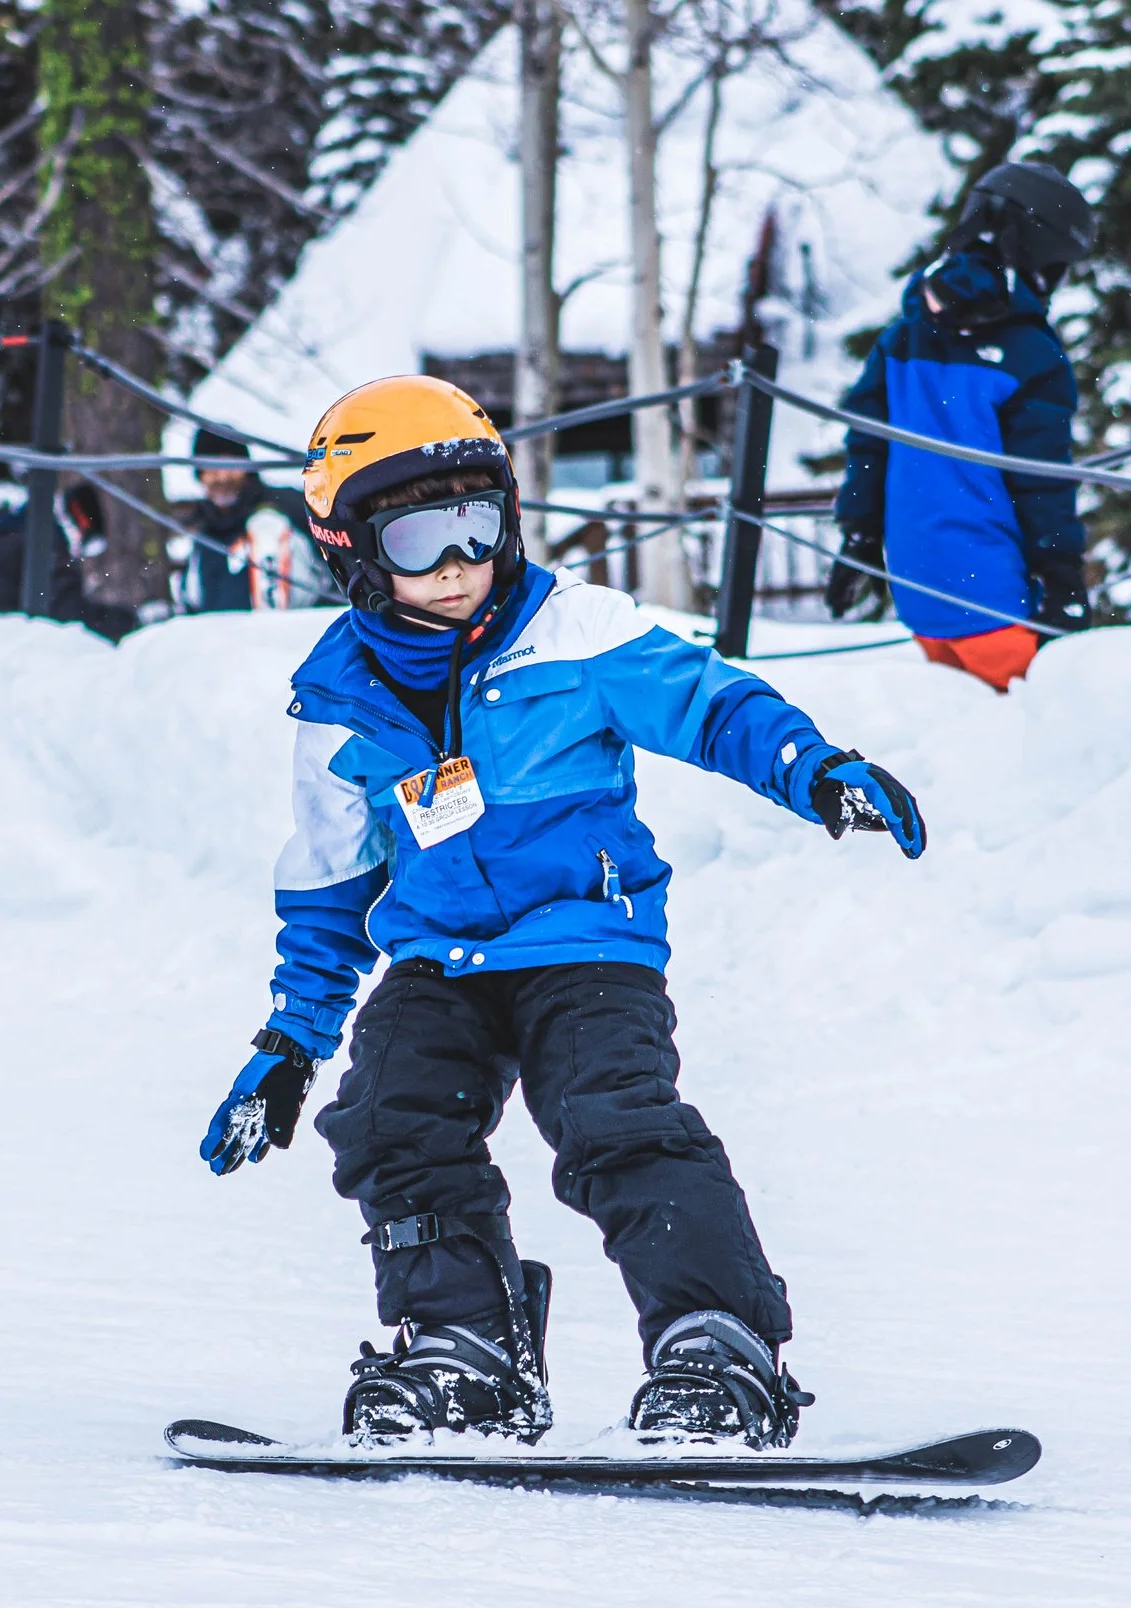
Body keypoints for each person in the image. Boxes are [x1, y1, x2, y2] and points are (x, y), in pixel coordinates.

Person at [198, 376, 930, 1449]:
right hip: (438, 959)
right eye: (419, 539)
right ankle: (467, 1348)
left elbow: (710, 702)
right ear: (350, 548)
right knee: (390, 1116)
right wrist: (288, 1043)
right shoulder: (337, 700)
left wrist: (811, 766)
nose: (460, 562)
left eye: (478, 523)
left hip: (585, 941)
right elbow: (328, 884)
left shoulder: (574, 631)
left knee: (610, 1117)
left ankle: (716, 1343)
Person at [828, 160, 1097, 693]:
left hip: (918, 591)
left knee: (957, 730)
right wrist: (1062, 574)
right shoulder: (1030, 353)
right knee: (1031, 733)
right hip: (998, 600)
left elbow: (868, 445)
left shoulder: (903, 336)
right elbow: (1040, 480)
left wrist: (859, 535)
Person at [0, 479, 141, 643]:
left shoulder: (0, 540)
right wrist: (129, 623)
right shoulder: (43, 547)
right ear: (79, 527)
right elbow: (66, 614)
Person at [180, 429, 319, 611]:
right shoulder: (203, 531)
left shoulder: (286, 506)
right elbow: (191, 601)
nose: (221, 477)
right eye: (211, 468)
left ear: (246, 467)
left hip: (296, 623)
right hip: (218, 628)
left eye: (228, 465)